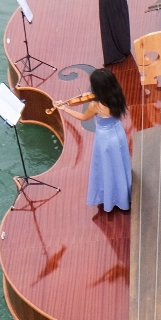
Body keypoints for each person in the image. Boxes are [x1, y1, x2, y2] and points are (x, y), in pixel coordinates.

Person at [54, 69, 132, 213]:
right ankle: (124, 191)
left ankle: (110, 198)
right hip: (118, 134)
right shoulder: (117, 96)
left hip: (105, 139)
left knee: (107, 167)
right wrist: (91, 97)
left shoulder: (95, 106)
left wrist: (64, 108)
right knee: (119, 163)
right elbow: (101, 98)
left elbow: (84, 117)